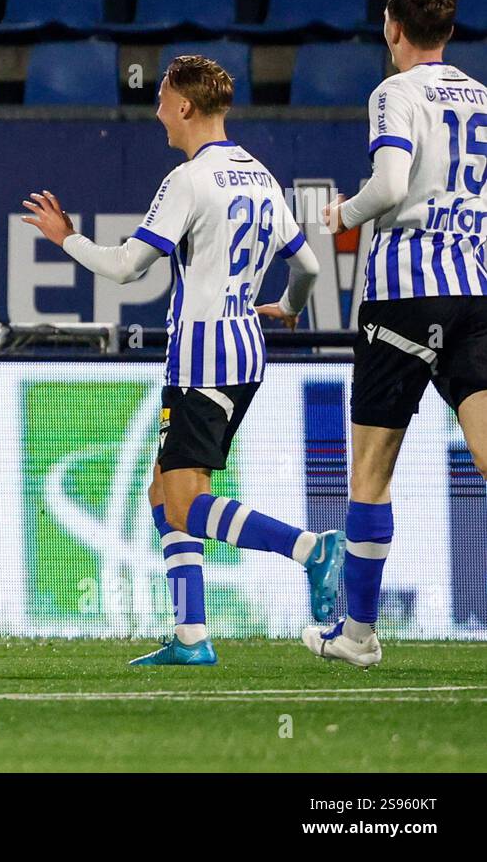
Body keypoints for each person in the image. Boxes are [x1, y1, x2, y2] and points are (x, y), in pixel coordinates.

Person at [22, 55, 342, 666]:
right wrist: (288, 308)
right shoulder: (260, 176)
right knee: (161, 492)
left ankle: (311, 550)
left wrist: (66, 238)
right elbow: (310, 266)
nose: (158, 110)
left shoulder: (189, 180)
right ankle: (192, 636)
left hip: (203, 357)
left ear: (187, 107)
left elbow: (124, 267)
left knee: (183, 502)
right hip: (245, 349)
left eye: (164, 99)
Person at [304, 0, 487, 667]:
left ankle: (356, 636)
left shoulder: (395, 93)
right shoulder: (481, 97)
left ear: (393, 27)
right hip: (474, 295)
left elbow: (388, 185)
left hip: (404, 300)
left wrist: (340, 215)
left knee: (371, 475)